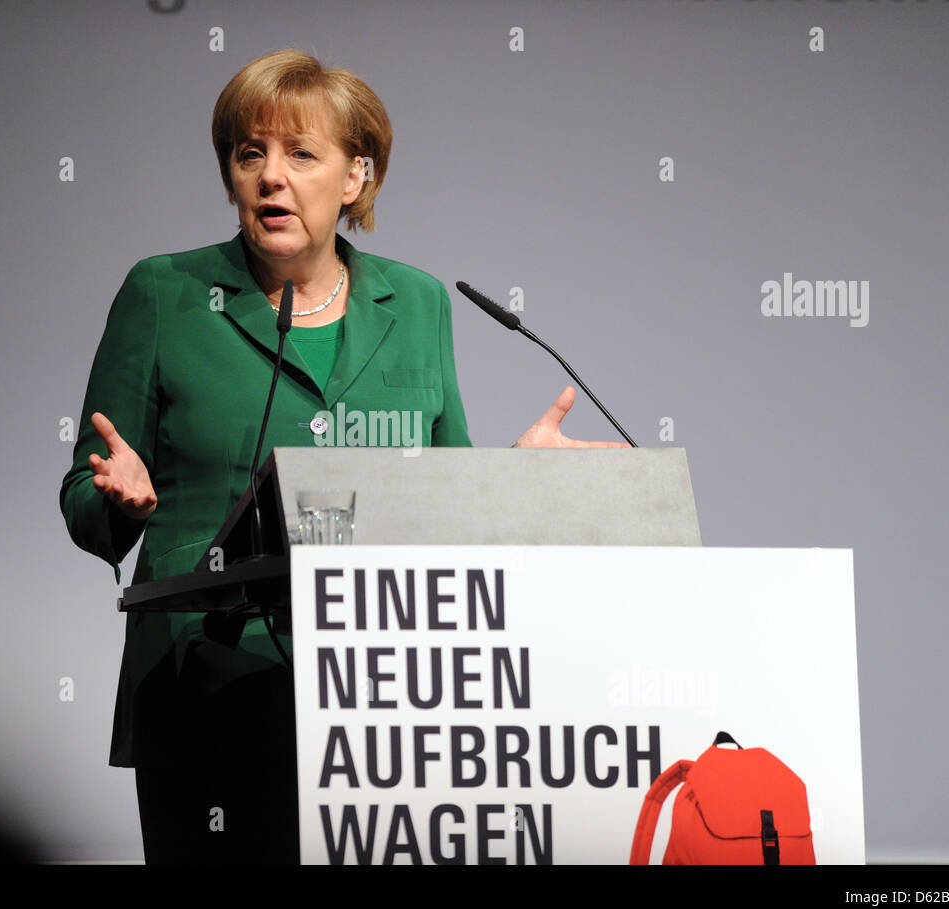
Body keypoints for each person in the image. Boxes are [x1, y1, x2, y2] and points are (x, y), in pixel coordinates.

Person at [59, 49, 626, 865]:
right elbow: (86, 491)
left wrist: (517, 479)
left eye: (300, 154)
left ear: (356, 178)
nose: (269, 178)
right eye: (249, 153)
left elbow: (442, 496)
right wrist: (116, 497)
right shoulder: (165, 294)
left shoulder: (419, 302)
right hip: (208, 679)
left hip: (381, 699)